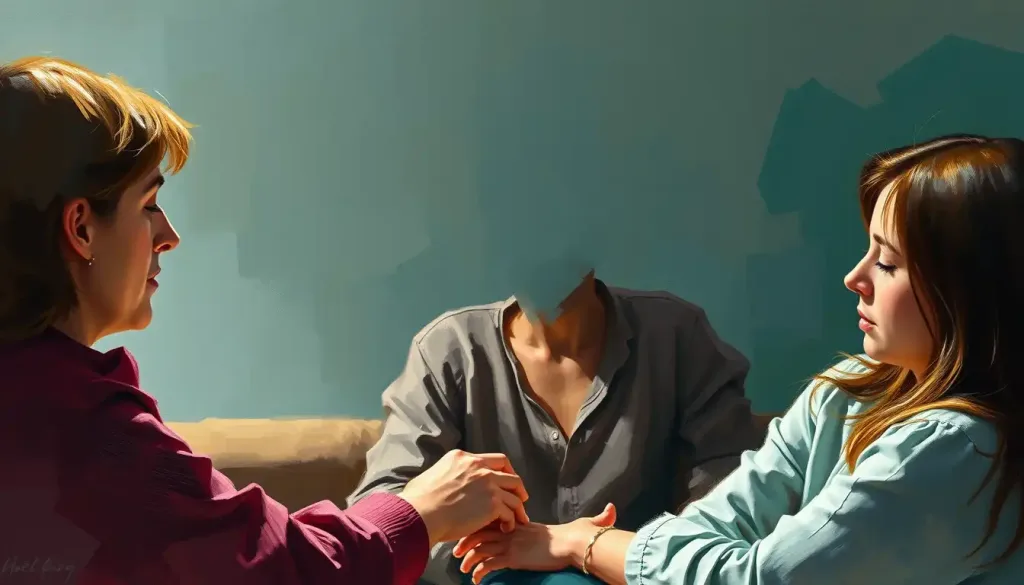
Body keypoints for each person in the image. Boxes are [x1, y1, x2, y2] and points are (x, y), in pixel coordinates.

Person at [0, 55, 531, 585]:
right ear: (81, 228)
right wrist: (417, 512)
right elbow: (286, 571)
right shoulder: (94, 435)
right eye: (148, 204)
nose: (169, 236)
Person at [452, 134, 1024, 584]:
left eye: (889, 263)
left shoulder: (953, 450)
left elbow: (758, 577)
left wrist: (584, 542)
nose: (855, 278)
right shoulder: (843, 392)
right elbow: (724, 518)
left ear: (970, 290)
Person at [347, 262, 768, 584]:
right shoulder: (449, 349)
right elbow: (382, 513)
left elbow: (734, 506)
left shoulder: (676, 337)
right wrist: (500, 555)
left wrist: (598, 554)